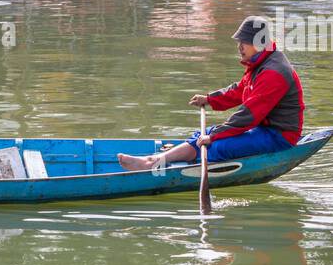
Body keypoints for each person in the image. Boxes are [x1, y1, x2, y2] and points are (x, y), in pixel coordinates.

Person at [117, 15, 305, 172]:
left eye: (243, 43)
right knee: (204, 134)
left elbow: (249, 115)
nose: (239, 47)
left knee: (217, 145)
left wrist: (215, 136)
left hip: (279, 135)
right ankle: (153, 160)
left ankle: (186, 169)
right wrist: (210, 99)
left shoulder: (273, 72)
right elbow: (240, 90)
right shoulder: (261, 62)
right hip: (263, 129)